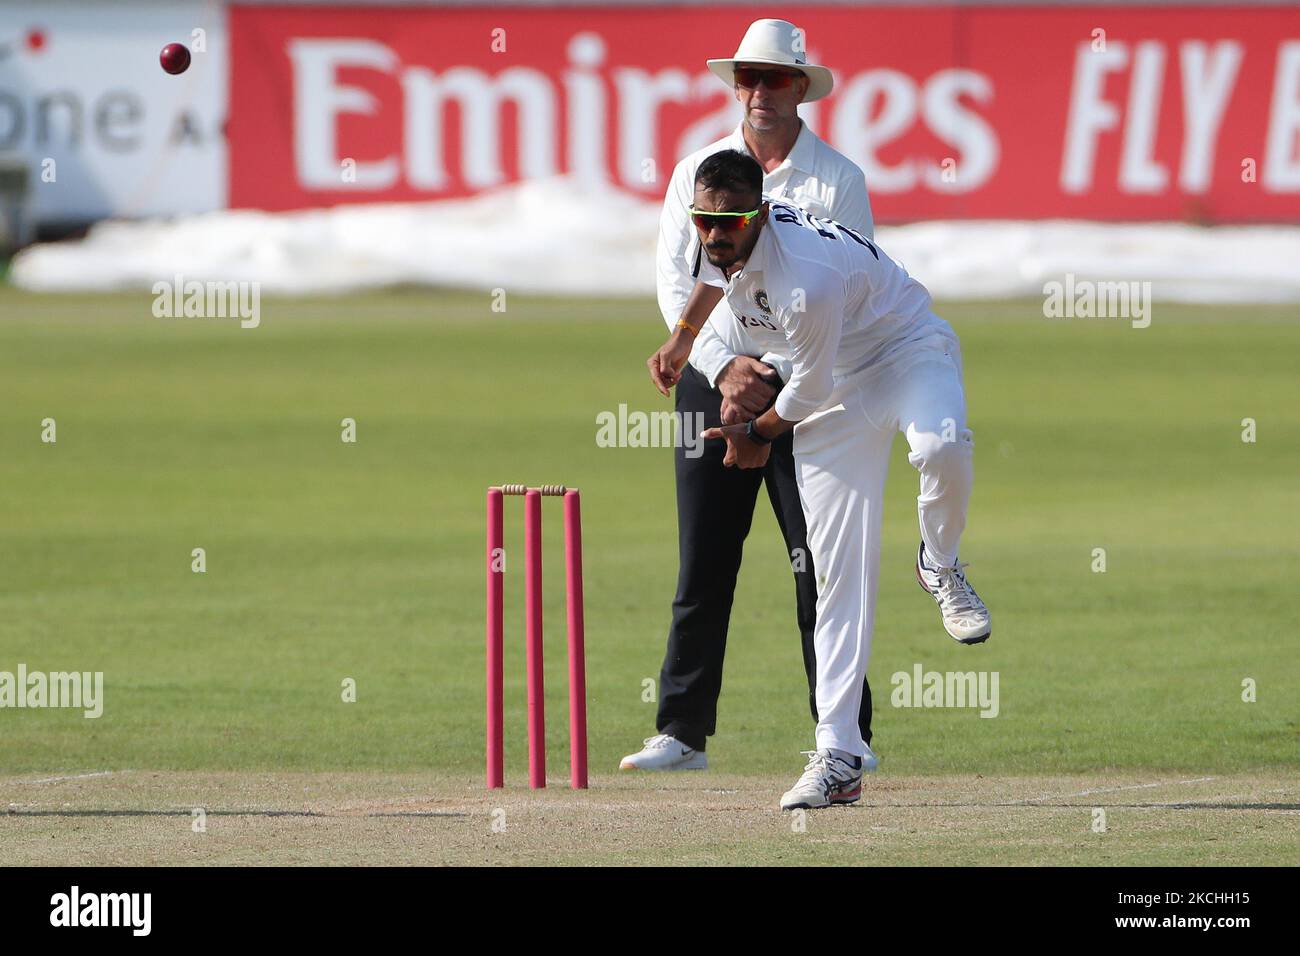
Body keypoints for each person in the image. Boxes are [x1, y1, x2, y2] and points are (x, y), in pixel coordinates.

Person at [649, 149, 991, 809]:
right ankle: (838, 753)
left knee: (941, 445)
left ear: (762, 214)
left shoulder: (804, 272)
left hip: (905, 350)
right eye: (705, 221)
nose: (716, 235)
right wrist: (684, 340)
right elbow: (711, 280)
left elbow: (805, 389)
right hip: (835, 389)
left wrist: (756, 436)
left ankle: (940, 564)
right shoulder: (719, 237)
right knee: (835, 566)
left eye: (731, 222)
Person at [619, 18, 877, 773]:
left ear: (802, 88)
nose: (761, 91)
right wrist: (725, 366)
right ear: (735, 86)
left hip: (811, 387)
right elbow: (680, 280)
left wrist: (769, 376)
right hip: (712, 380)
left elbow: (845, 294)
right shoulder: (696, 169)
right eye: (749, 78)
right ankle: (682, 732)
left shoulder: (838, 181)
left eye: (776, 79)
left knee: (817, 566)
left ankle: (843, 739)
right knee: (703, 558)